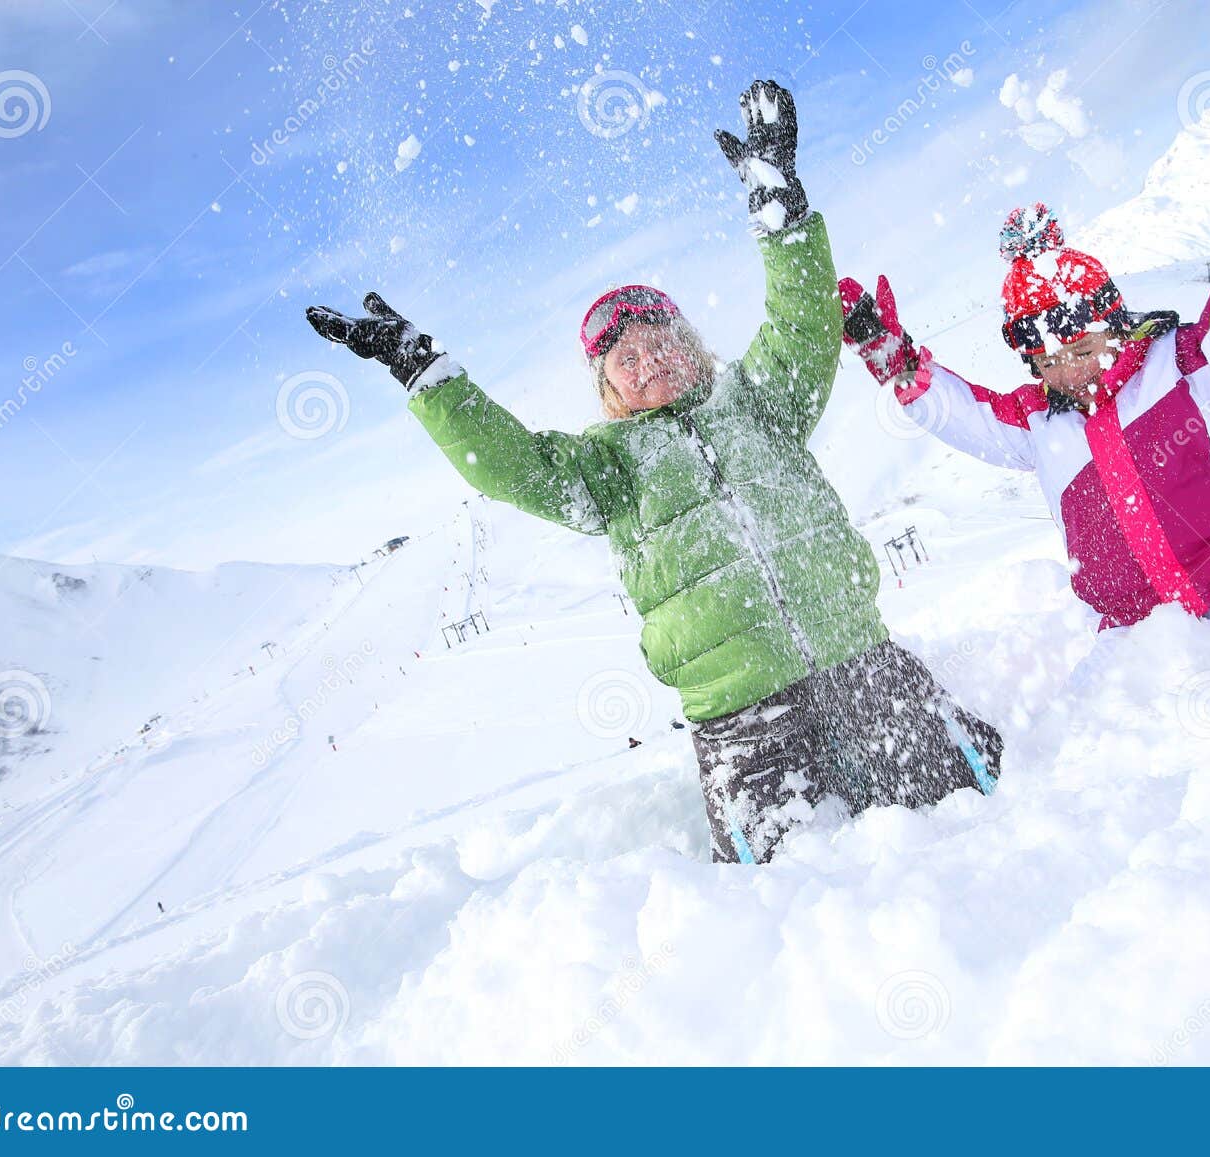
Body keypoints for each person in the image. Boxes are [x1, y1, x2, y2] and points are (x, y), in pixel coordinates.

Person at [306, 80, 1002, 864]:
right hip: (742, 715)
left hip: (858, 661)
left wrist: (782, 216)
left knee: (967, 816)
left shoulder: (758, 397)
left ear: (692, 342)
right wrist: (428, 379)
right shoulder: (606, 467)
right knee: (794, 890)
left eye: (660, 340)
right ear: (607, 390)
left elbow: (804, 327)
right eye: (623, 360)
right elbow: (515, 466)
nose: (647, 363)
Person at [840, 123, 1210, 633]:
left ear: (1114, 325)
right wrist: (898, 363)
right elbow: (968, 416)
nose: (1070, 370)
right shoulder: (1037, 423)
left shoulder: (1176, 366)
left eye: (1082, 349)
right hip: (1136, 629)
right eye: (1048, 361)